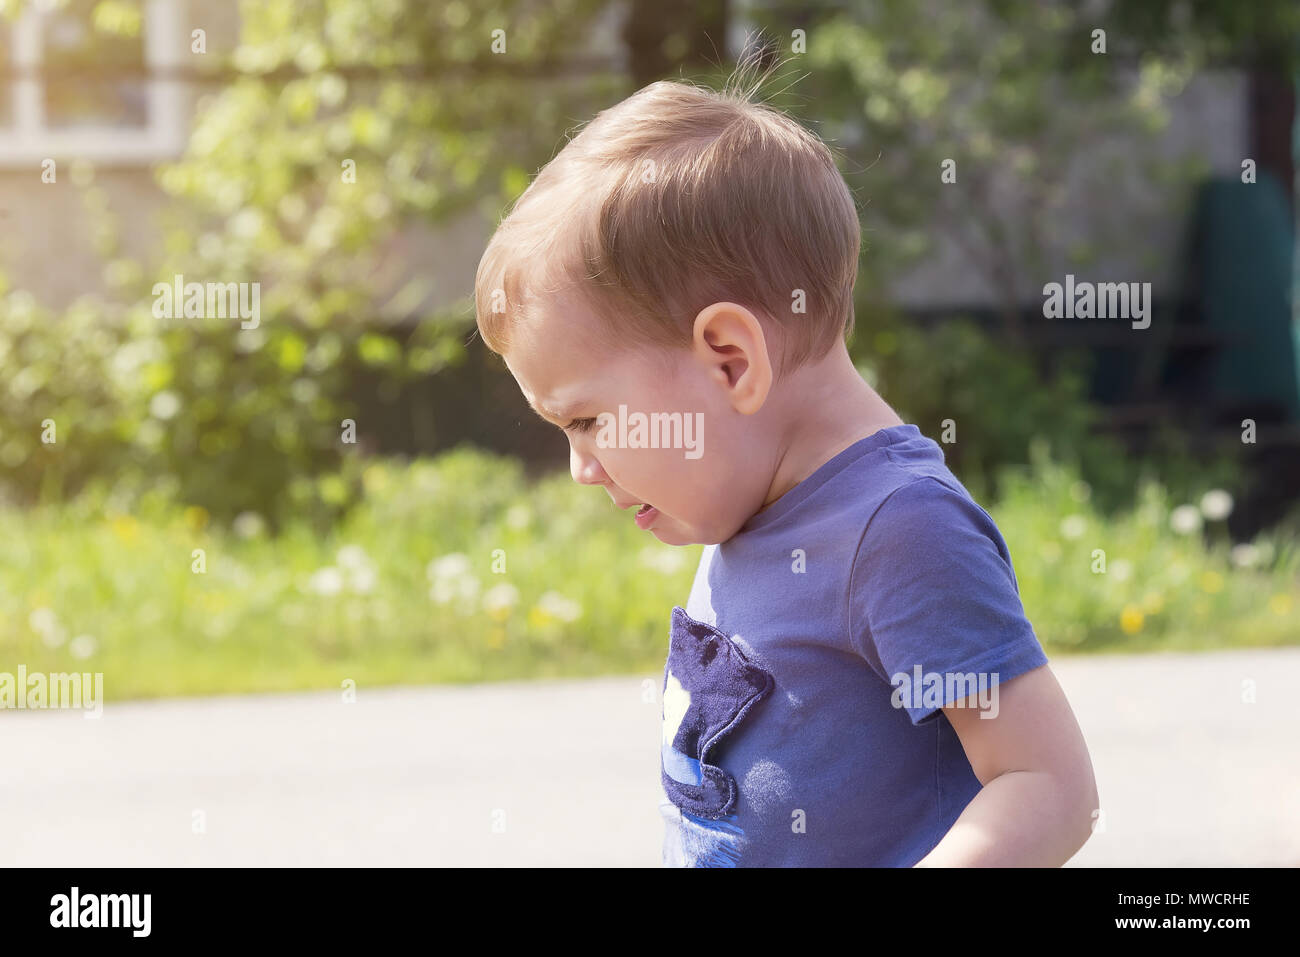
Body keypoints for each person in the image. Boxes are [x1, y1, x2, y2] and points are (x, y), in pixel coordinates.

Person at [472, 59, 1098, 867]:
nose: (579, 467)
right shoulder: (750, 496)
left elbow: (1047, 785)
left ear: (730, 361)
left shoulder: (897, 533)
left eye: (588, 419)